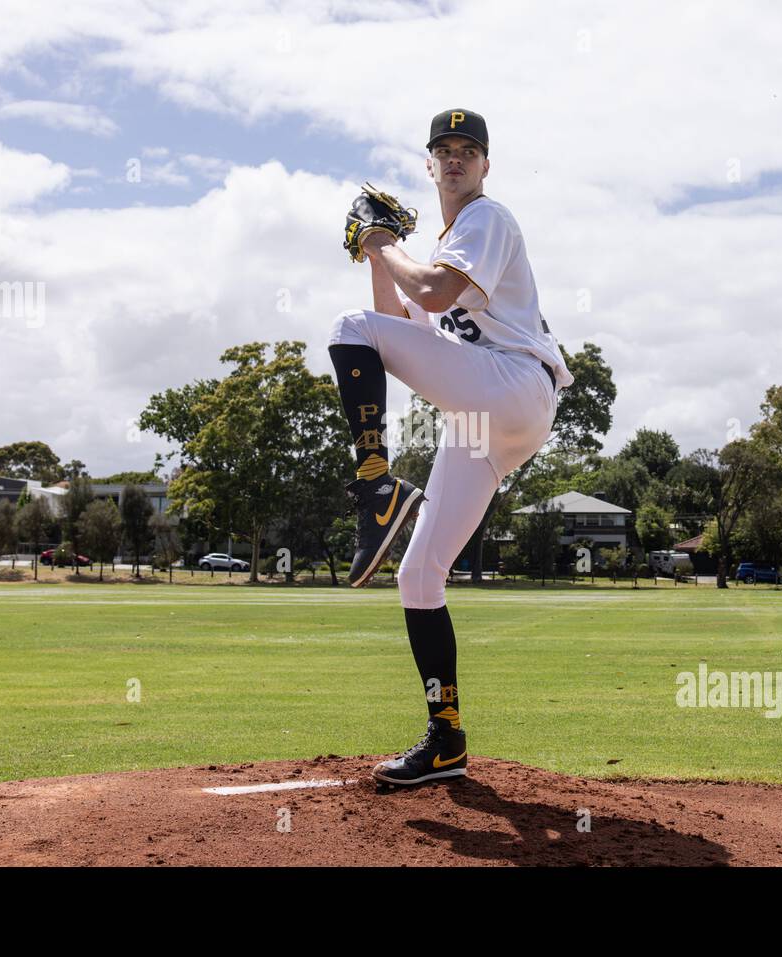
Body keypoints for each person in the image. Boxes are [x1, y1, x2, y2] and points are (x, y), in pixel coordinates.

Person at [326, 108, 574, 786]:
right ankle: (447, 737)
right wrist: (381, 248)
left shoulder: (486, 221)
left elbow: (430, 290)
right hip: (485, 423)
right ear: (429, 163)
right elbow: (398, 321)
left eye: (470, 149)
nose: (457, 157)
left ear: (486, 164)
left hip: (515, 384)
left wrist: (383, 240)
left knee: (348, 327)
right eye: (445, 149)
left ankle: (377, 488)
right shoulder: (442, 243)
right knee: (417, 576)